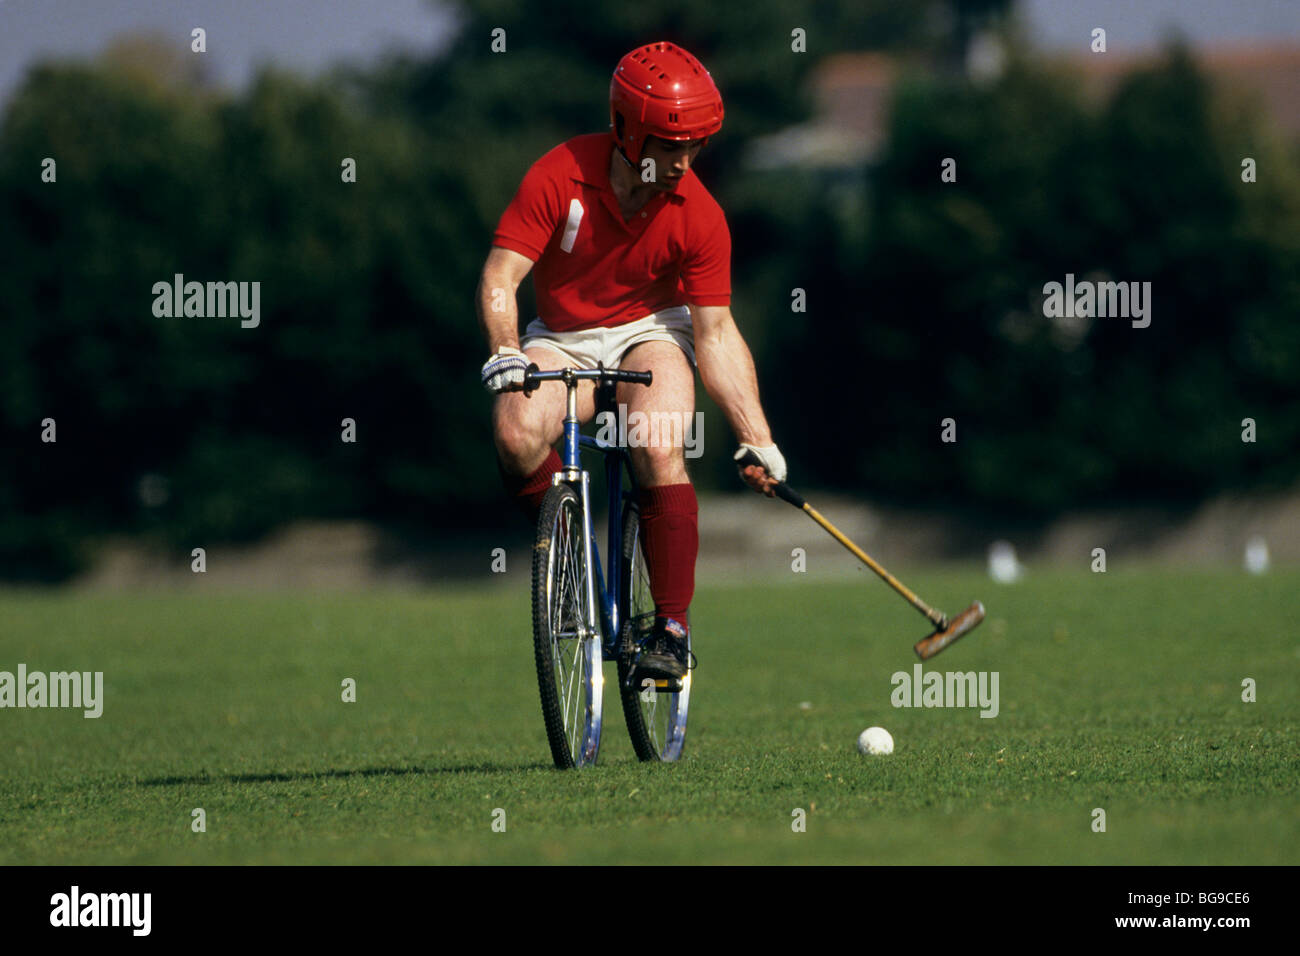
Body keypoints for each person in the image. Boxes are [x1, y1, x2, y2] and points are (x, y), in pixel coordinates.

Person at [477, 40, 785, 683]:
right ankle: (568, 567)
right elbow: (502, 275)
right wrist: (505, 349)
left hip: (652, 331)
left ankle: (672, 631)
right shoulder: (557, 174)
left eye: (694, 147)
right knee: (515, 433)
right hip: (559, 335)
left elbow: (717, 335)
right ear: (624, 131)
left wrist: (757, 439)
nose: (683, 163)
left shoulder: (699, 214)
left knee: (655, 437)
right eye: (669, 146)